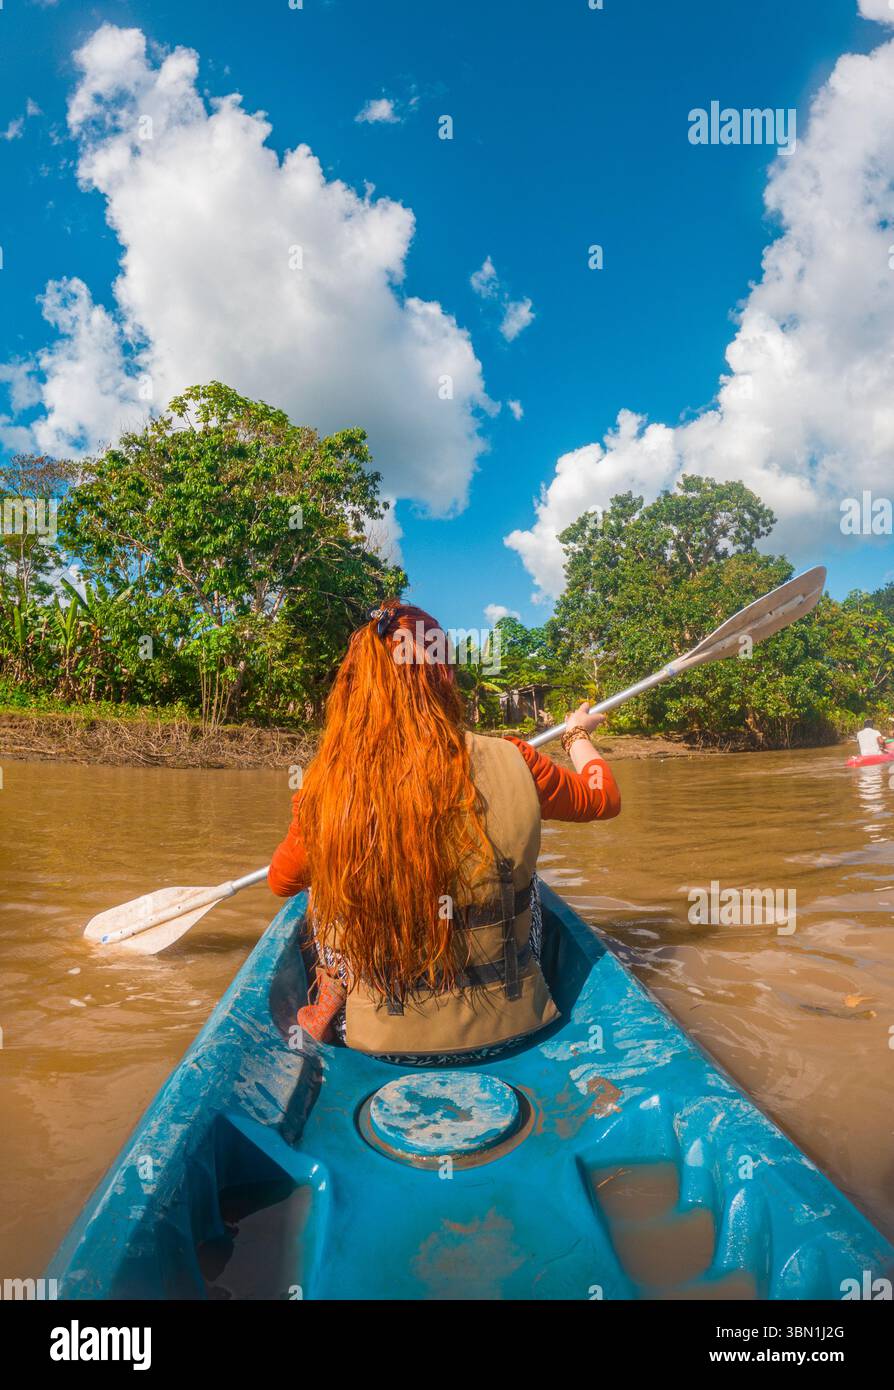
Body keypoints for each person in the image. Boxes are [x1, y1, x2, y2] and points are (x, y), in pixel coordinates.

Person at [267, 600, 621, 1060]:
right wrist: (576, 736)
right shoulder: (517, 758)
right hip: (510, 1023)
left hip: (376, 1038)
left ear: (355, 689)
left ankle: (332, 994)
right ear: (443, 677)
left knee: (322, 890)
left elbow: (281, 883)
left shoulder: (325, 782)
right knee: (524, 882)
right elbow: (603, 799)